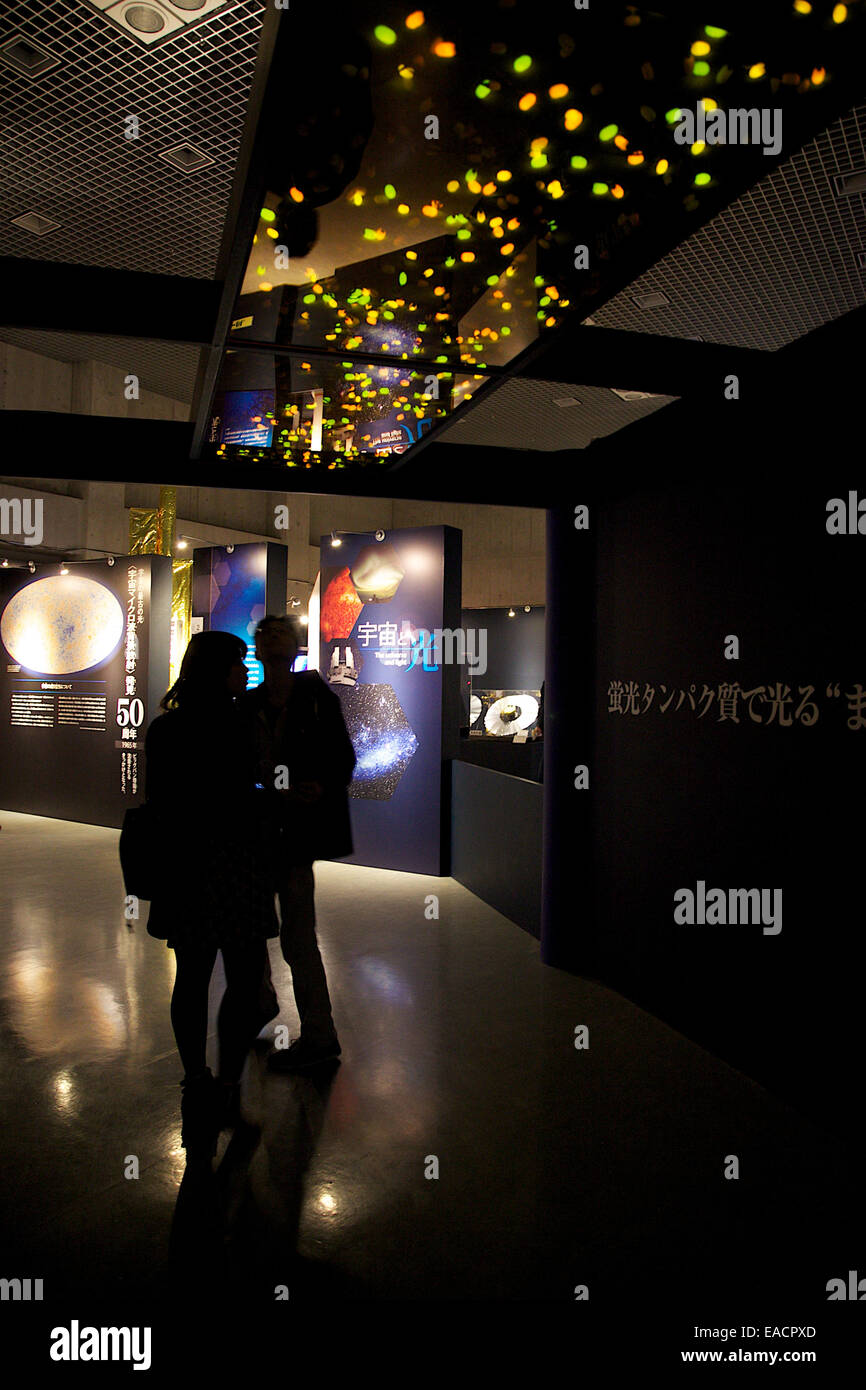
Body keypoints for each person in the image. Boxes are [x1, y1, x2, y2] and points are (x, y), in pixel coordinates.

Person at [144, 631, 279, 1160]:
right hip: (234, 868)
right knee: (244, 978)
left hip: (186, 870)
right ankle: (225, 1080)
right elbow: (255, 789)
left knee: (193, 974)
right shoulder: (241, 724)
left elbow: (160, 800)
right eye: (238, 663)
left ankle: (195, 1077)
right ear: (218, 669)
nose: (244, 671)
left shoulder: (166, 728)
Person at [244, 614, 355, 1071]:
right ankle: (261, 1006)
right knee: (251, 932)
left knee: (297, 937)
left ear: (294, 647)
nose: (273, 641)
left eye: (280, 634)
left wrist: (321, 787)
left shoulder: (314, 697)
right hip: (255, 832)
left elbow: (343, 755)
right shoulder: (247, 702)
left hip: (292, 837)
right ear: (258, 650)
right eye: (266, 636)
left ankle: (320, 1034)